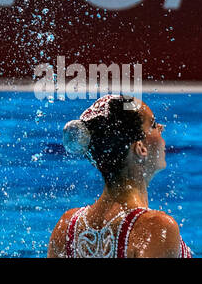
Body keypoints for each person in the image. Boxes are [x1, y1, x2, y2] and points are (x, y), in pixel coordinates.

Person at [47, 94, 194, 258]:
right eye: (152, 125)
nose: (161, 128)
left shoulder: (66, 227)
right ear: (140, 148)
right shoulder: (155, 229)